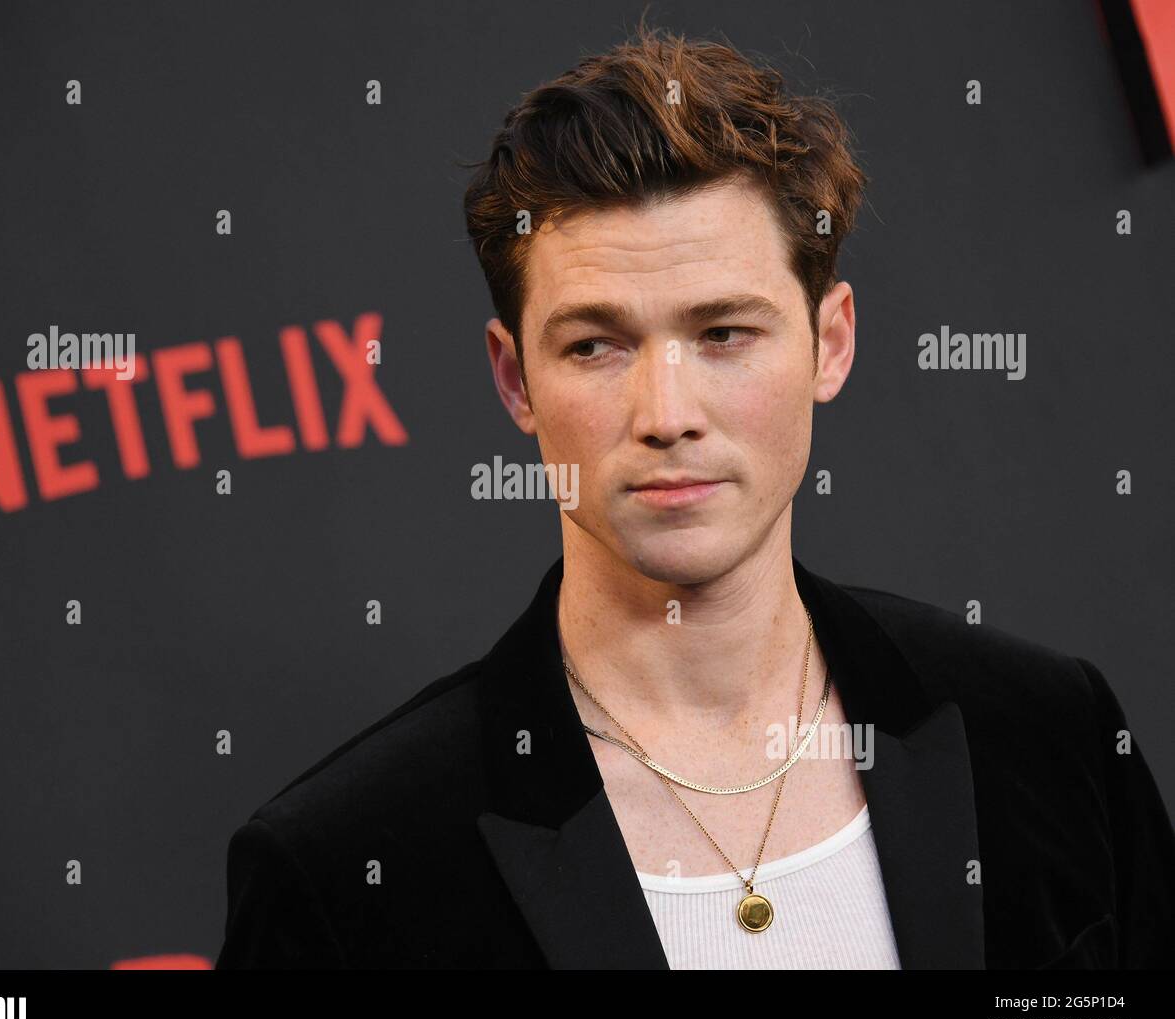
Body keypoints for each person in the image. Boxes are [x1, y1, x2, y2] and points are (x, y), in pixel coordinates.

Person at [216, 21, 1175, 970]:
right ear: (515, 381)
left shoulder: (1051, 737)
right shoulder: (349, 866)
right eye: (595, 344)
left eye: (723, 333)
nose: (666, 414)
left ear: (829, 343)